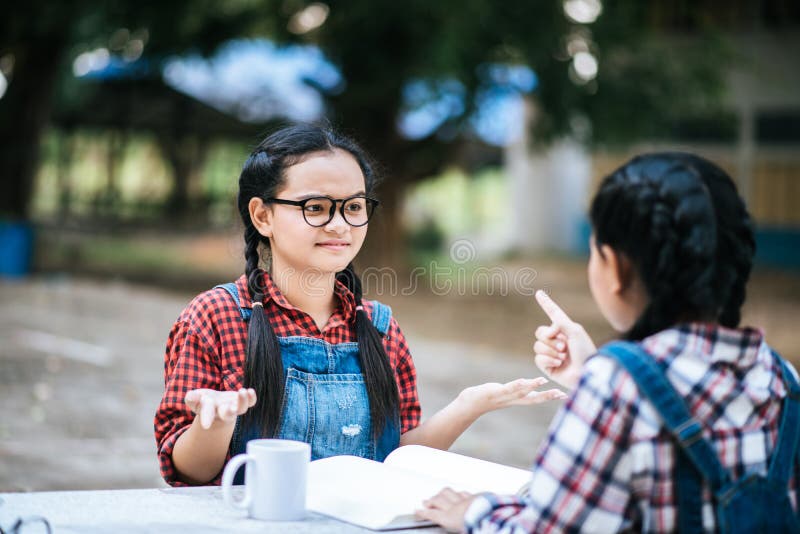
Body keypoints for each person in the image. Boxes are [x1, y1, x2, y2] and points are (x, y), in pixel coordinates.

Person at [154, 123, 566, 486]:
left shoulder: (381, 328)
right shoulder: (214, 317)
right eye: (315, 207)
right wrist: (217, 422)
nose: (339, 225)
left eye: (353, 207)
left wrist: (468, 406)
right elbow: (189, 471)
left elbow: (397, 461)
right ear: (263, 216)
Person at [418, 152, 800, 532]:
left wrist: (474, 512)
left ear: (615, 268)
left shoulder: (614, 388)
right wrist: (588, 371)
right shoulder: (784, 380)